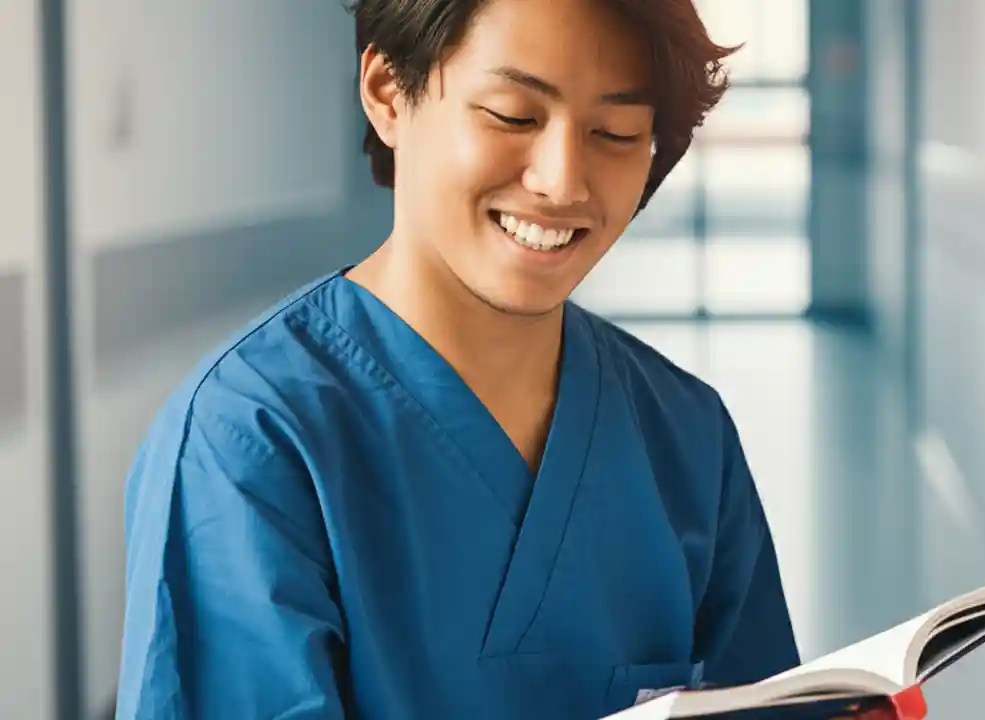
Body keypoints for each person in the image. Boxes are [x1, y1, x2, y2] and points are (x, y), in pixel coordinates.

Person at [114, 0, 799, 717]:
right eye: (512, 115)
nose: (562, 182)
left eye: (615, 132)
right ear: (388, 93)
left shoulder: (684, 434)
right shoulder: (249, 441)